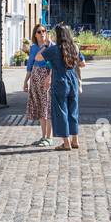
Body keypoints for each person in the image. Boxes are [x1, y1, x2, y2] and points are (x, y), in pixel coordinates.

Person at [39, 23, 84, 151]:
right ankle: (75, 140)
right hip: (73, 81)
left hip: (60, 82)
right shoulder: (74, 47)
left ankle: (66, 143)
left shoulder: (54, 49)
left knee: (61, 112)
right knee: (73, 111)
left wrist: (46, 44)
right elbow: (81, 63)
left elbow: (38, 57)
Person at [24, 24, 52, 147]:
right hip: (35, 79)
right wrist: (26, 81)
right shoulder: (34, 47)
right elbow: (30, 64)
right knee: (41, 107)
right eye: (39, 31)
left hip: (46, 78)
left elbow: (54, 64)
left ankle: (49, 137)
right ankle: (43, 136)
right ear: (35, 34)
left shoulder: (51, 46)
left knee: (48, 107)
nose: (42, 33)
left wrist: (50, 77)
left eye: (44, 31)